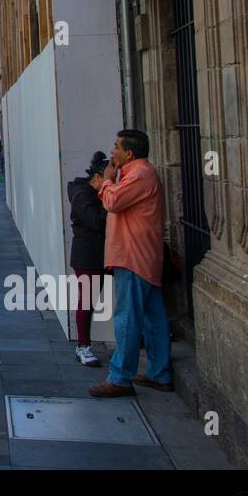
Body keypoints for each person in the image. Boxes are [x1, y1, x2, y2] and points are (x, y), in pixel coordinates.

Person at [90, 130, 172, 397]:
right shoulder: (138, 173)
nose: (112, 152)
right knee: (154, 318)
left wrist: (106, 182)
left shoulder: (139, 174)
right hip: (140, 255)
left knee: (127, 319)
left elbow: (112, 202)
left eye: (116, 147)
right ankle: (159, 373)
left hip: (133, 256)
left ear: (129, 152)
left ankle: (120, 378)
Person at [68, 151, 109, 367]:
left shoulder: (94, 193)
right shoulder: (82, 195)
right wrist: (109, 198)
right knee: (87, 302)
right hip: (89, 255)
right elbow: (96, 221)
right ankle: (83, 345)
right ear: (98, 178)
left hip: (108, 253)